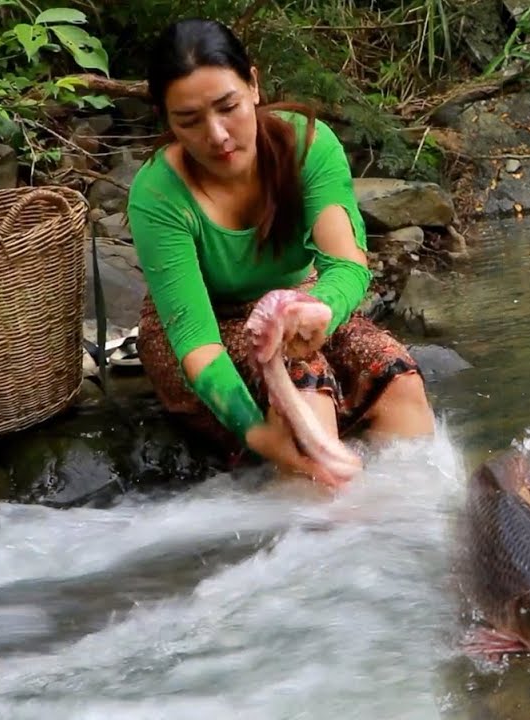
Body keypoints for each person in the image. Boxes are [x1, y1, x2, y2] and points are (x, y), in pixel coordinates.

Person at [127, 18, 435, 484]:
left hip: (295, 301)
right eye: (189, 121)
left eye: (228, 107)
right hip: (203, 327)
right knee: (304, 395)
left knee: (398, 377)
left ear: (253, 85)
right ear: (166, 119)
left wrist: (321, 309)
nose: (217, 135)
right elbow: (196, 343)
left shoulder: (308, 147)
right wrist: (261, 437)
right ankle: (316, 517)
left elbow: (347, 264)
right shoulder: (157, 194)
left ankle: (417, 513)